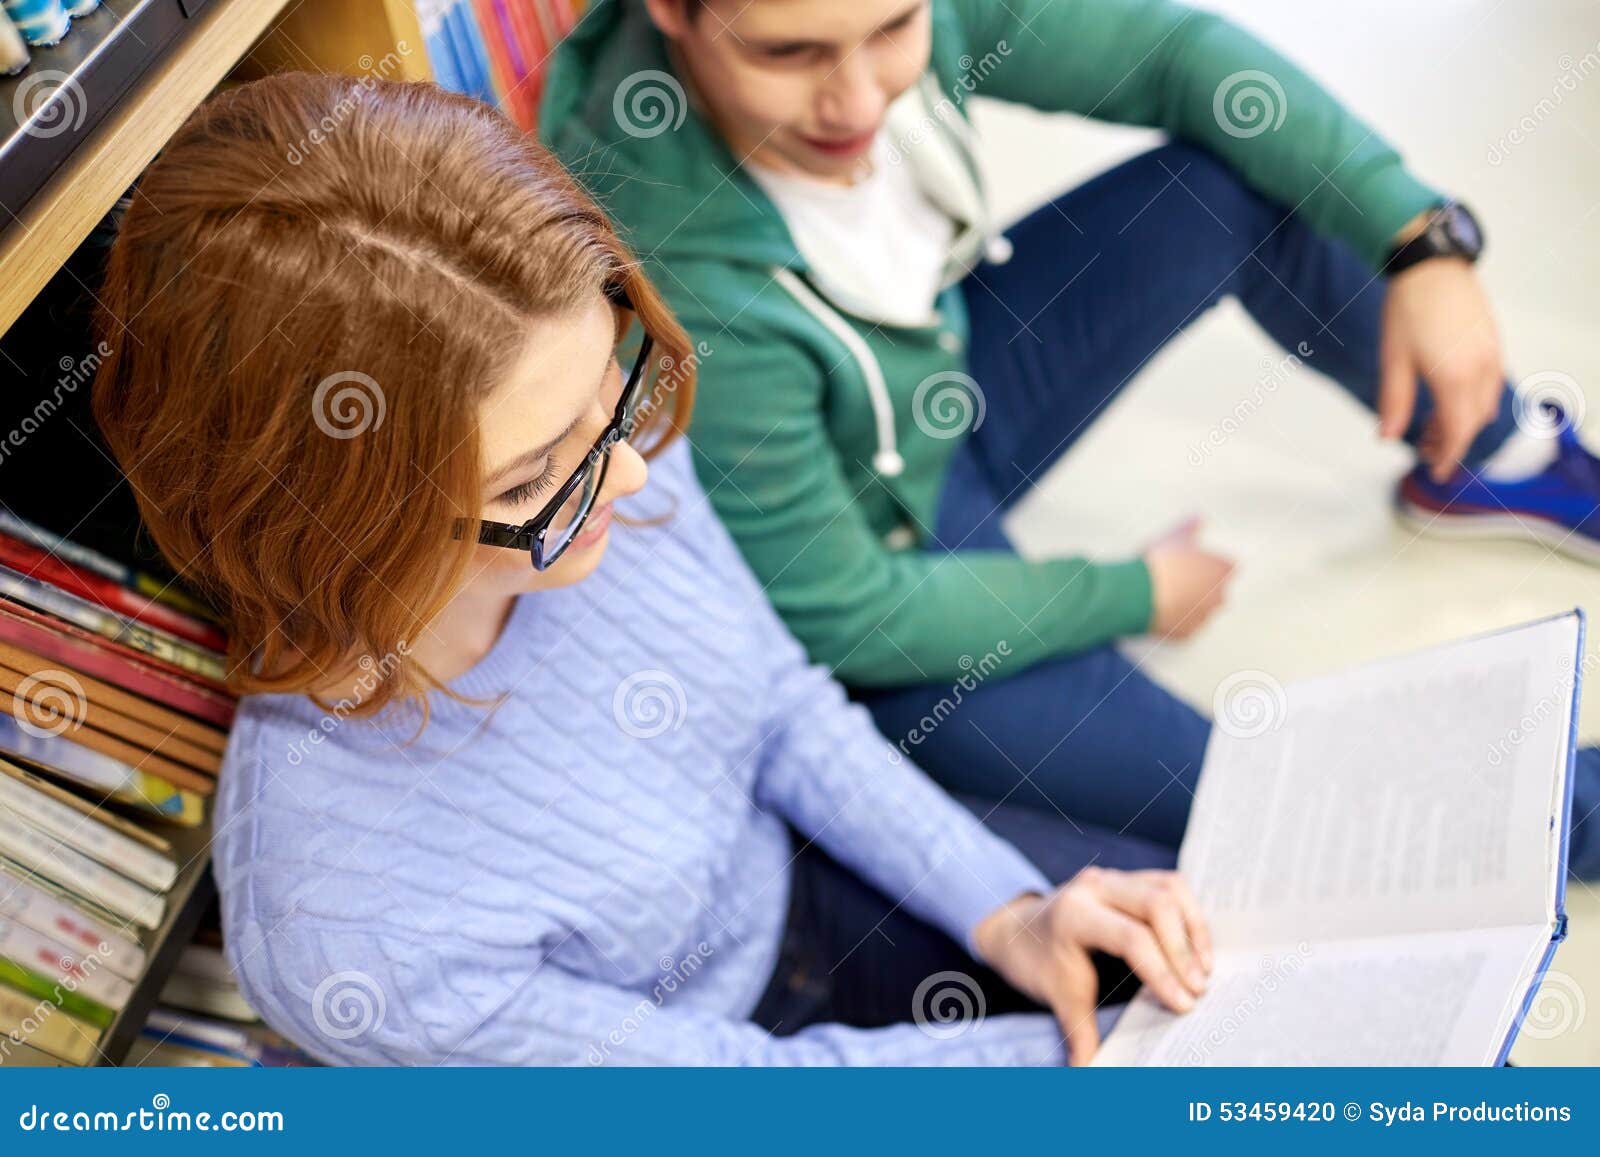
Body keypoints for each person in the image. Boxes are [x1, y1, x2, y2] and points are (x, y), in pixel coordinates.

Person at [89, 73, 1213, 1066]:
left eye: (611, 391)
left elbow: (782, 706)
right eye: (534, 478)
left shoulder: (586, 453)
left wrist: (1008, 912)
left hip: (796, 873)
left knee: (1222, 924)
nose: (632, 477)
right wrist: (1110, 1062)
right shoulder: (350, 926)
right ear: (322, 518)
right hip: (724, 1057)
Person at [541, 0, 1600, 869]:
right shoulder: (670, 262)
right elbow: (849, 611)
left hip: (934, 392)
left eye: (896, 29)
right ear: (668, 12)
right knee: (1259, 805)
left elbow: (1178, 54)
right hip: (871, 585)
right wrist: (1134, 588)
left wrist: (1421, 239)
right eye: (790, 55)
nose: (857, 97)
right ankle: (1572, 816)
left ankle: (1486, 452)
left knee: (1233, 175)